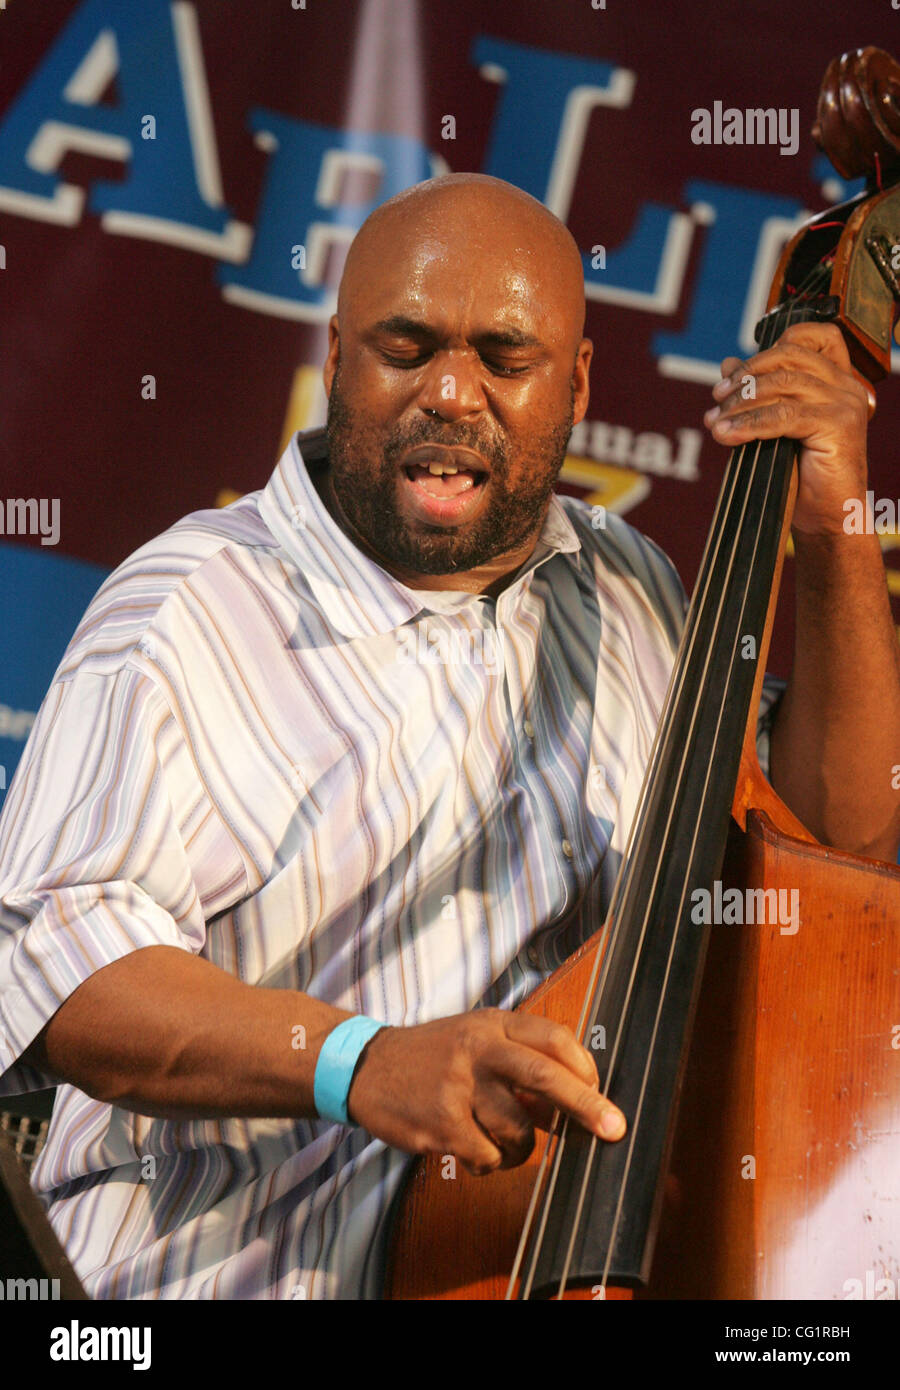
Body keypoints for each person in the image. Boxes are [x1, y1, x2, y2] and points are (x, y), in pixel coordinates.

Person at [0, 173, 898, 1300]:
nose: (454, 393)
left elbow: (836, 850)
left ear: (575, 381)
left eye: (505, 358)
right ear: (336, 356)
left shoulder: (632, 587)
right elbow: (60, 973)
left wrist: (835, 528)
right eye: (406, 345)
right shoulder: (183, 607)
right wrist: (358, 1060)